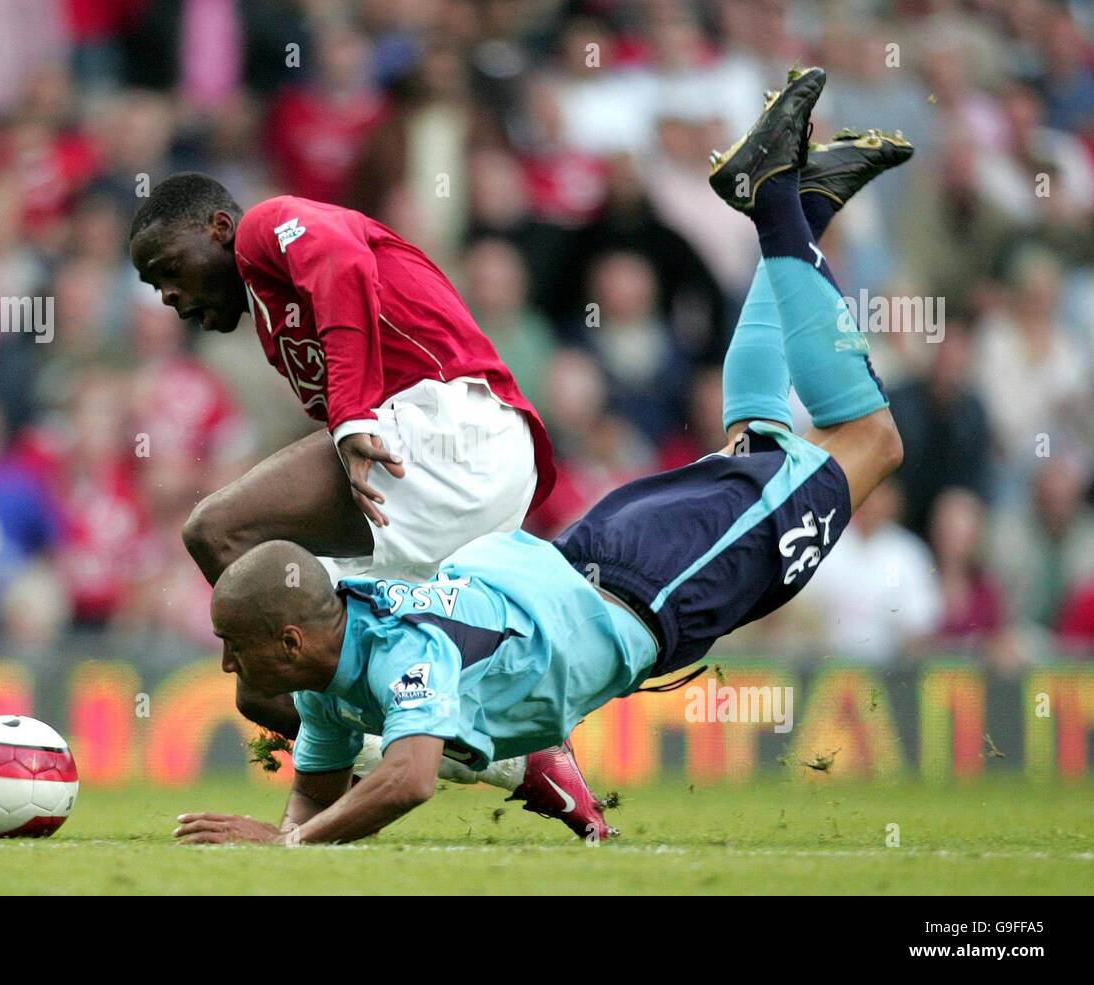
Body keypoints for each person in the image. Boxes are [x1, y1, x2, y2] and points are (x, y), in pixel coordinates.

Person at [171, 67, 910, 846]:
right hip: (605, 568)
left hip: (645, 585)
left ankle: (783, 207)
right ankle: (795, 208)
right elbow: (316, 806)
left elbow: (404, 779)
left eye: (234, 650)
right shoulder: (340, 681)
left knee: (866, 440)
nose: (229, 669)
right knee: (760, 444)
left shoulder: (396, 654)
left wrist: (290, 842)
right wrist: (284, 835)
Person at [128, 172, 620, 836]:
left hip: (449, 428)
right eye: (154, 288)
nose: (169, 296)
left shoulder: (266, 228)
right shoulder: (274, 319)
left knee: (224, 542)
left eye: (167, 270)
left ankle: (432, 757)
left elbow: (341, 261)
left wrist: (353, 414)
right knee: (269, 678)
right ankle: (505, 758)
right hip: (453, 457)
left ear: (217, 228)